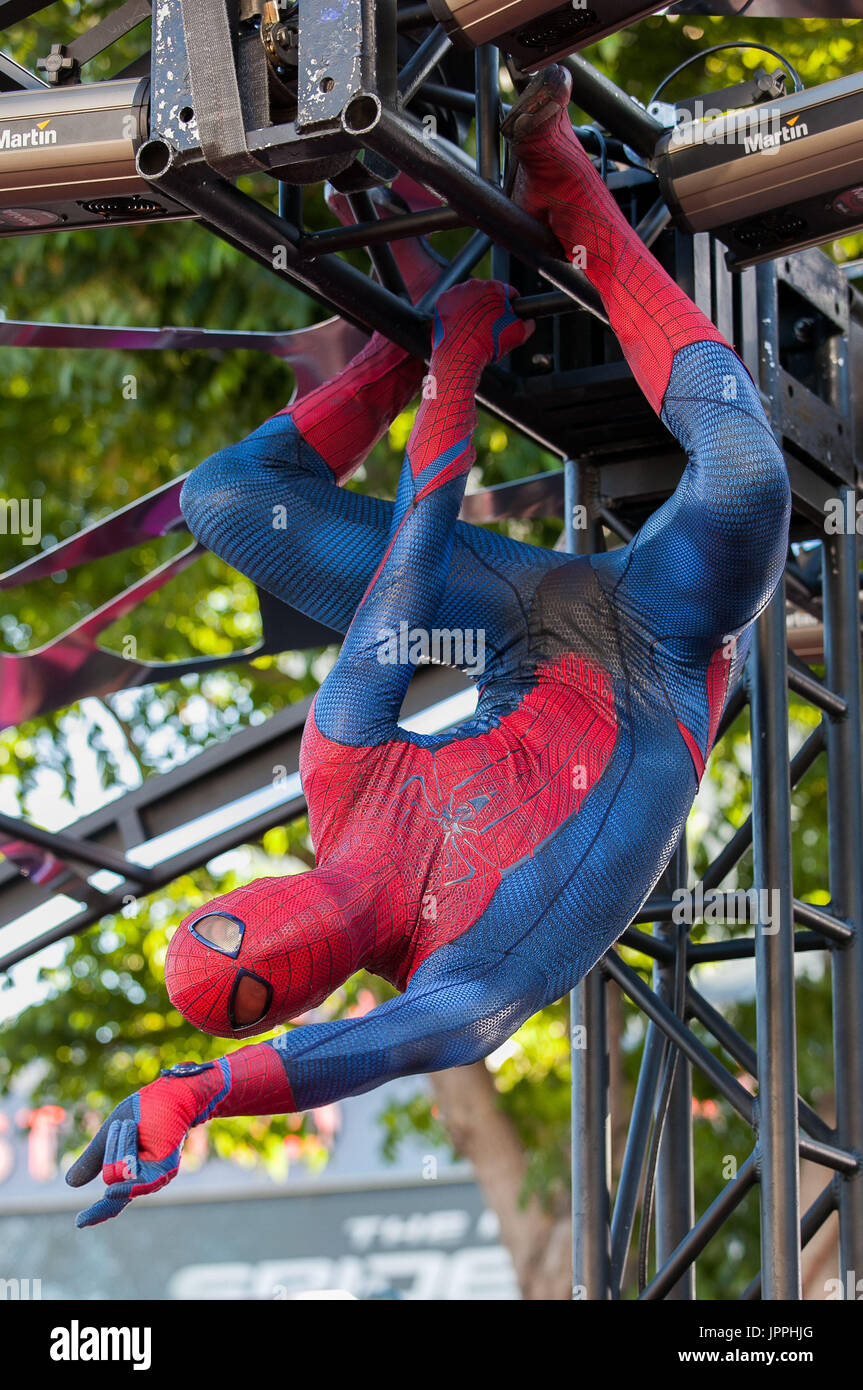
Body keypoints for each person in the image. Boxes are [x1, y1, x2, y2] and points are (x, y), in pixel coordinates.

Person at [68, 65, 790, 1226]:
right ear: (280, 1003)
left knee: (229, 503)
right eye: (249, 980)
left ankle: (391, 336)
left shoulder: (337, 780)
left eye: (217, 928)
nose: (258, 938)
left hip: (525, 622)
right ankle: (577, 207)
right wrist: (193, 1093)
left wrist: (429, 358)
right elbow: (351, 1061)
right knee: (748, 478)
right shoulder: (461, 980)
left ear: (238, 891)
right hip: (663, 651)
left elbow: (404, 590)